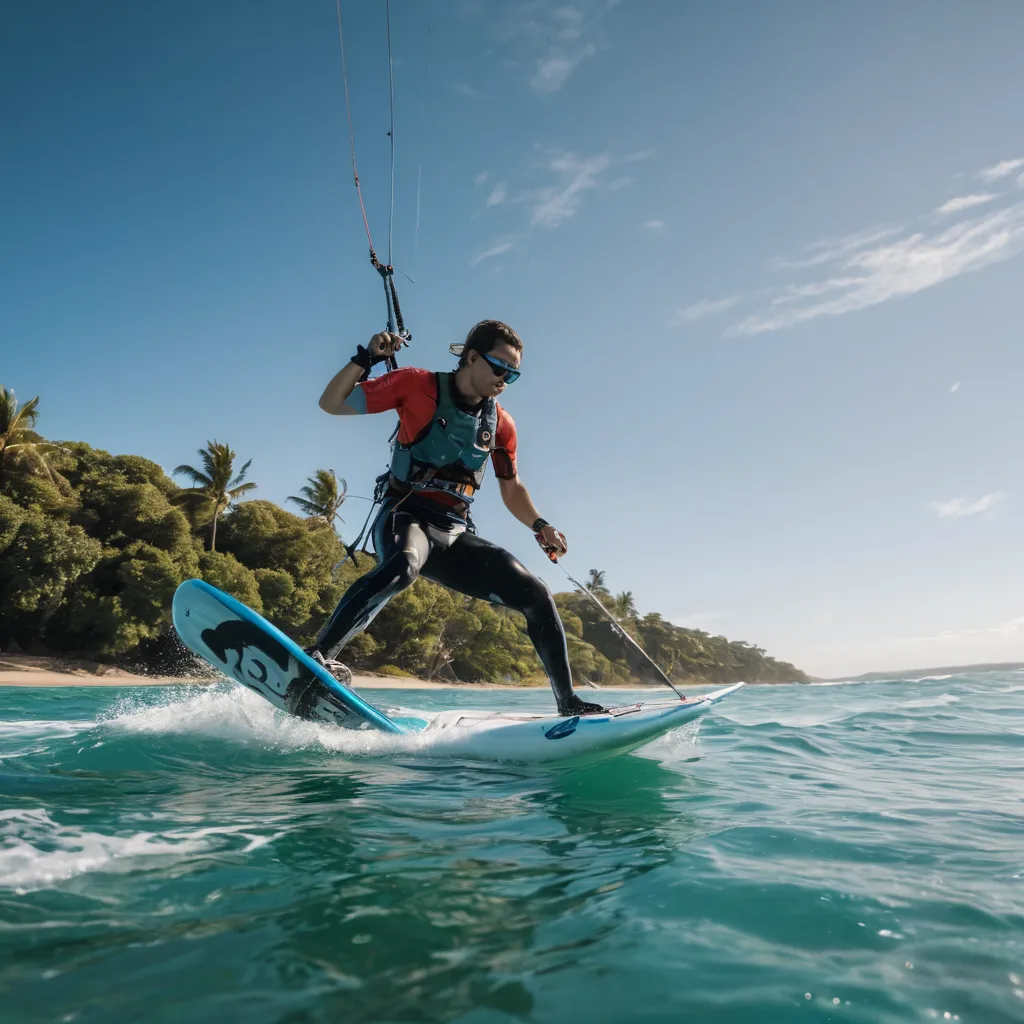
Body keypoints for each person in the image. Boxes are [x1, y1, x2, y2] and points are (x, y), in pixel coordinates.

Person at [308, 319, 606, 717]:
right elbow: (331, 403)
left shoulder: (501, 424)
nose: (506, 378)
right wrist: (365, 358)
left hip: (454, 533)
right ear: (470, 357)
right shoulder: (417, 385)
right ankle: (317, 657)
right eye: (500, 367)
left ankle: (569, 704)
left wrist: (540, 525)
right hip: (404, 516)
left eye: (513, 373)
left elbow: (511, 488)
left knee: (536, 595)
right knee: (402, 567)